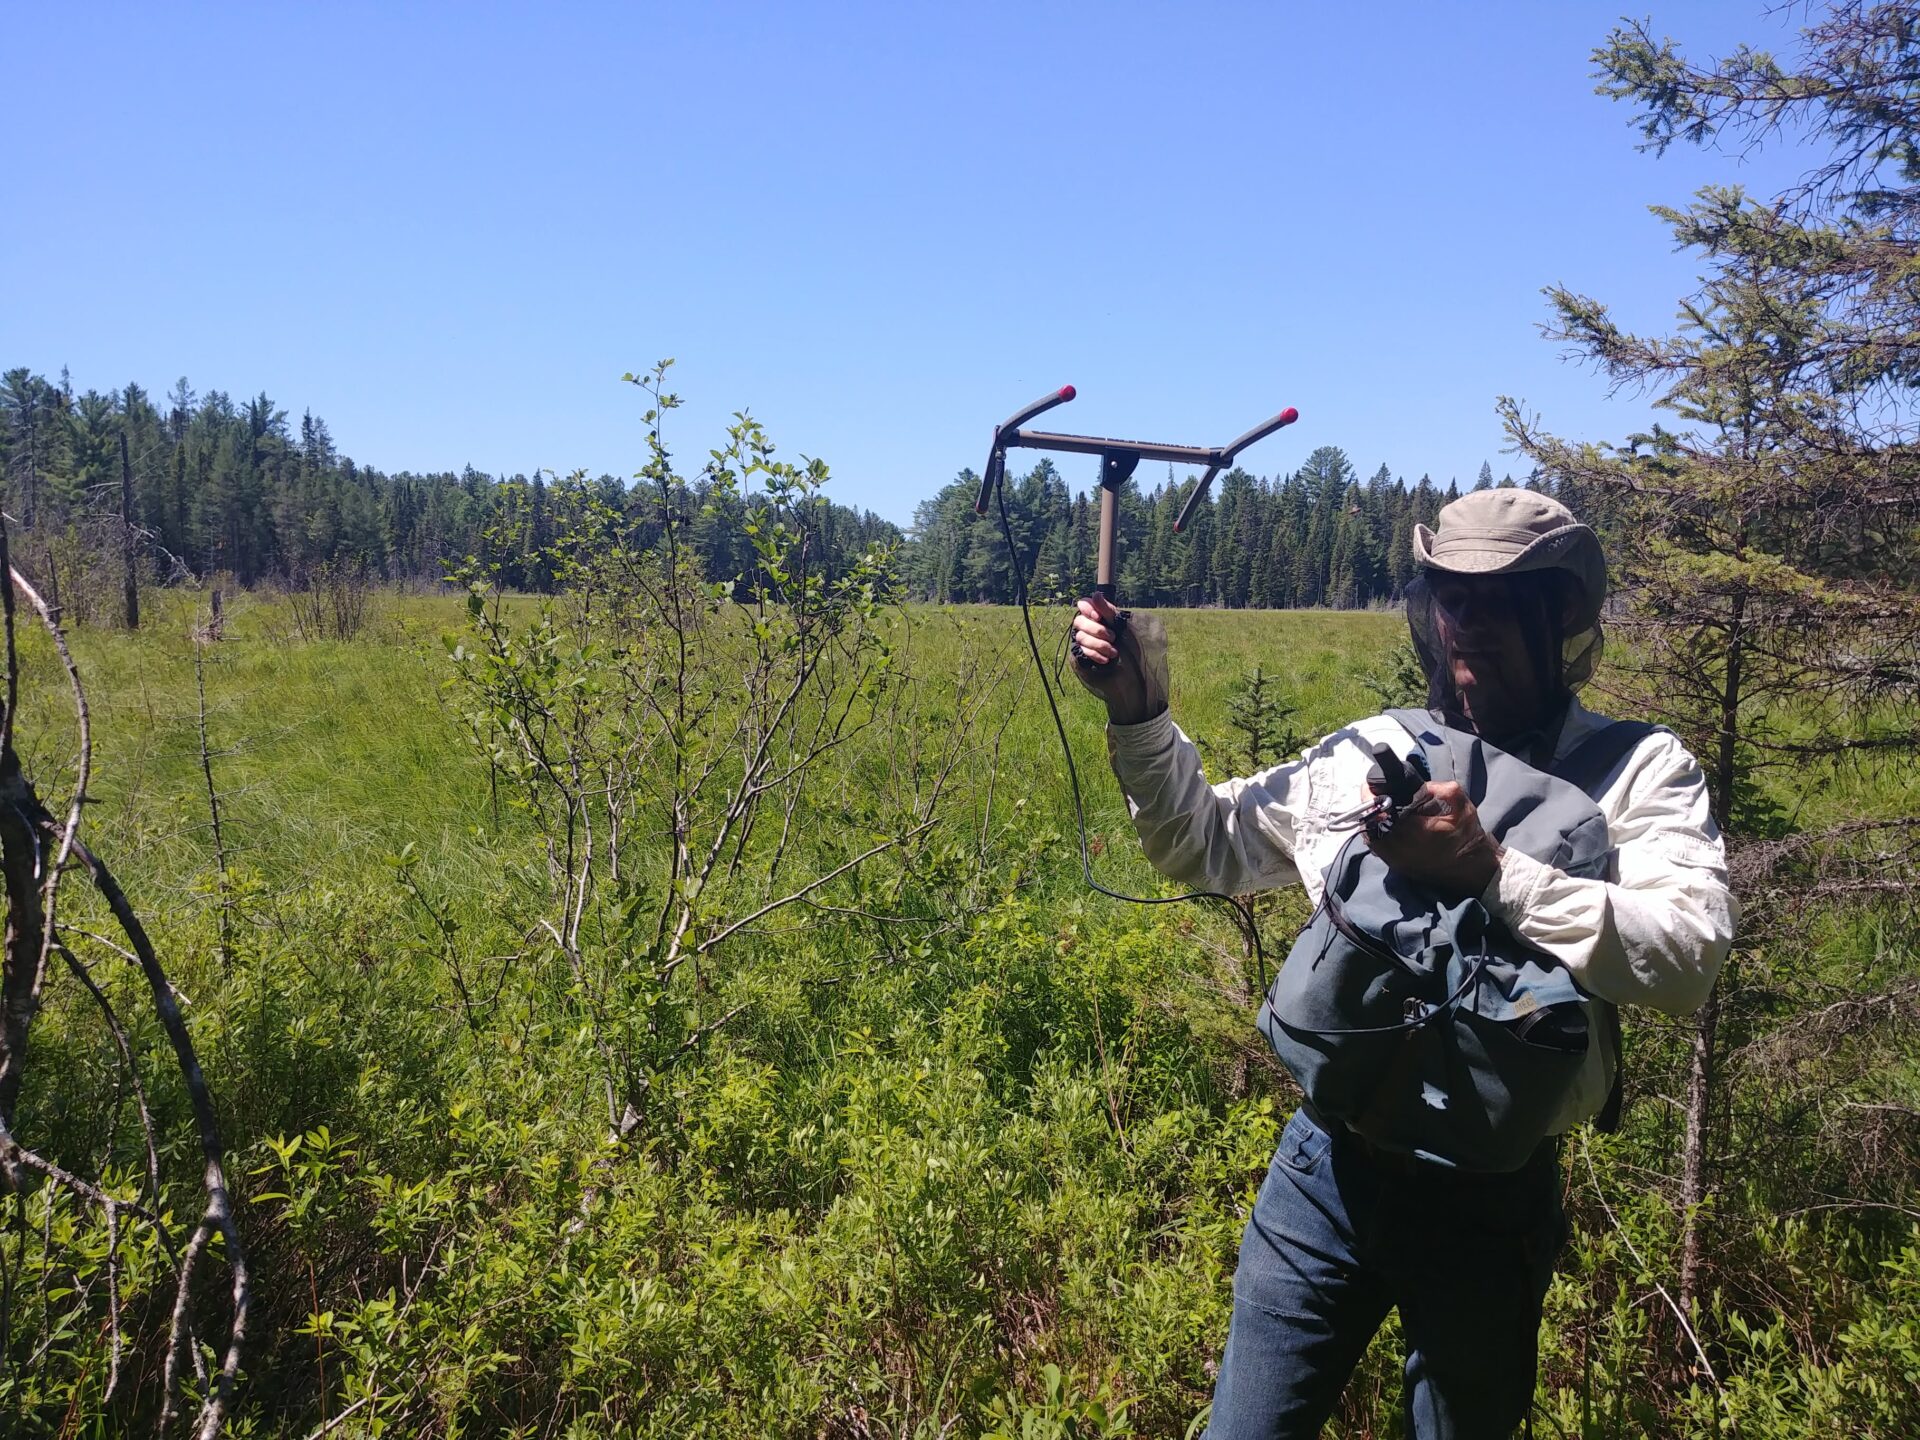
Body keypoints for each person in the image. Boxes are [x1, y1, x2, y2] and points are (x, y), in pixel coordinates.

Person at [1069, 489, 1734, 1439]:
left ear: (1560, 617)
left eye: (1501, 602)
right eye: (1453, 598)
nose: (1469, 625)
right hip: (1325, 1170)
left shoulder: (1637, 771)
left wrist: (1493, 872)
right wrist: (1139, 712)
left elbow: (1688, 956)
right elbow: (1204, 842)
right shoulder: (1375, 750)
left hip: (1492, 1202)